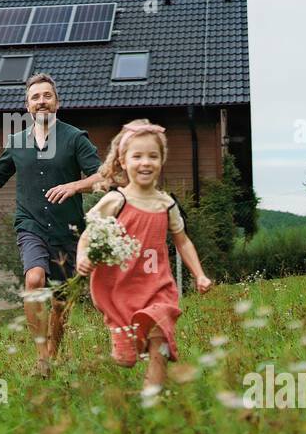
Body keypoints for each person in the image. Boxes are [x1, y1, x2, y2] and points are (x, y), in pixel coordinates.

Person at [0, 73, 102, 376]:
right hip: (31, 224)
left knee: (60, 304)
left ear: (57, 101)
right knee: (33, 280)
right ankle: (42, 358)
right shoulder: (17, 142)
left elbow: (101, 175)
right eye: (35, 97)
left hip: (67, 229)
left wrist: (75, 186)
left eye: (47, 96)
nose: (41, 101)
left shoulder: (75, 138)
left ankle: (53, 353)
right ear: (27, 105)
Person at [76, 119, 212, 396]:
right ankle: (124, 343)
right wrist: (83, 256)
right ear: (123, 161)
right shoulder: (116, 201)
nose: (145, 162)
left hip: (158, 286)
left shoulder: (167, 204)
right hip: (120, 288)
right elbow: (89, 235)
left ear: (161, 161)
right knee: (125, 360)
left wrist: (199, 274)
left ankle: (153, 398)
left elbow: (183, 241)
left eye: (153, 156)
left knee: (159, 337)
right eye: (137, 156)